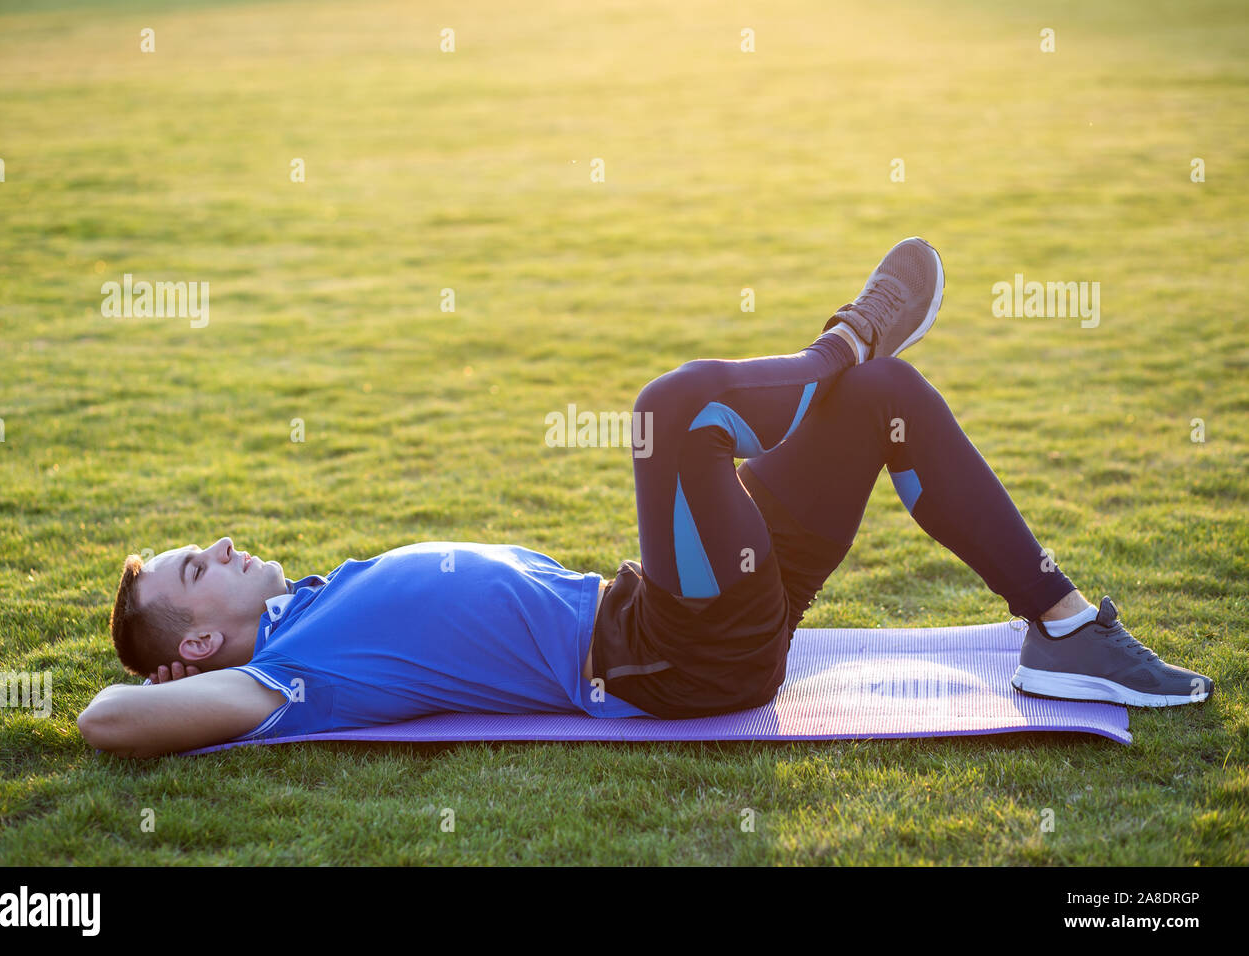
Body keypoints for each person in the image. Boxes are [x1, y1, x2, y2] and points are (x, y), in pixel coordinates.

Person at [78, 238, 1213, 758]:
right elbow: (106, 716)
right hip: (670, 650)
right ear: (203, 643)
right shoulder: (288, 675)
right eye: (195, 566)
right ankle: (834, 341)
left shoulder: (307, 606)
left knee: (888, 397)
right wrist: (205, 681)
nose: (219, 543)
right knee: (669, 410)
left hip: (696, 603)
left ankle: (1064, 626)